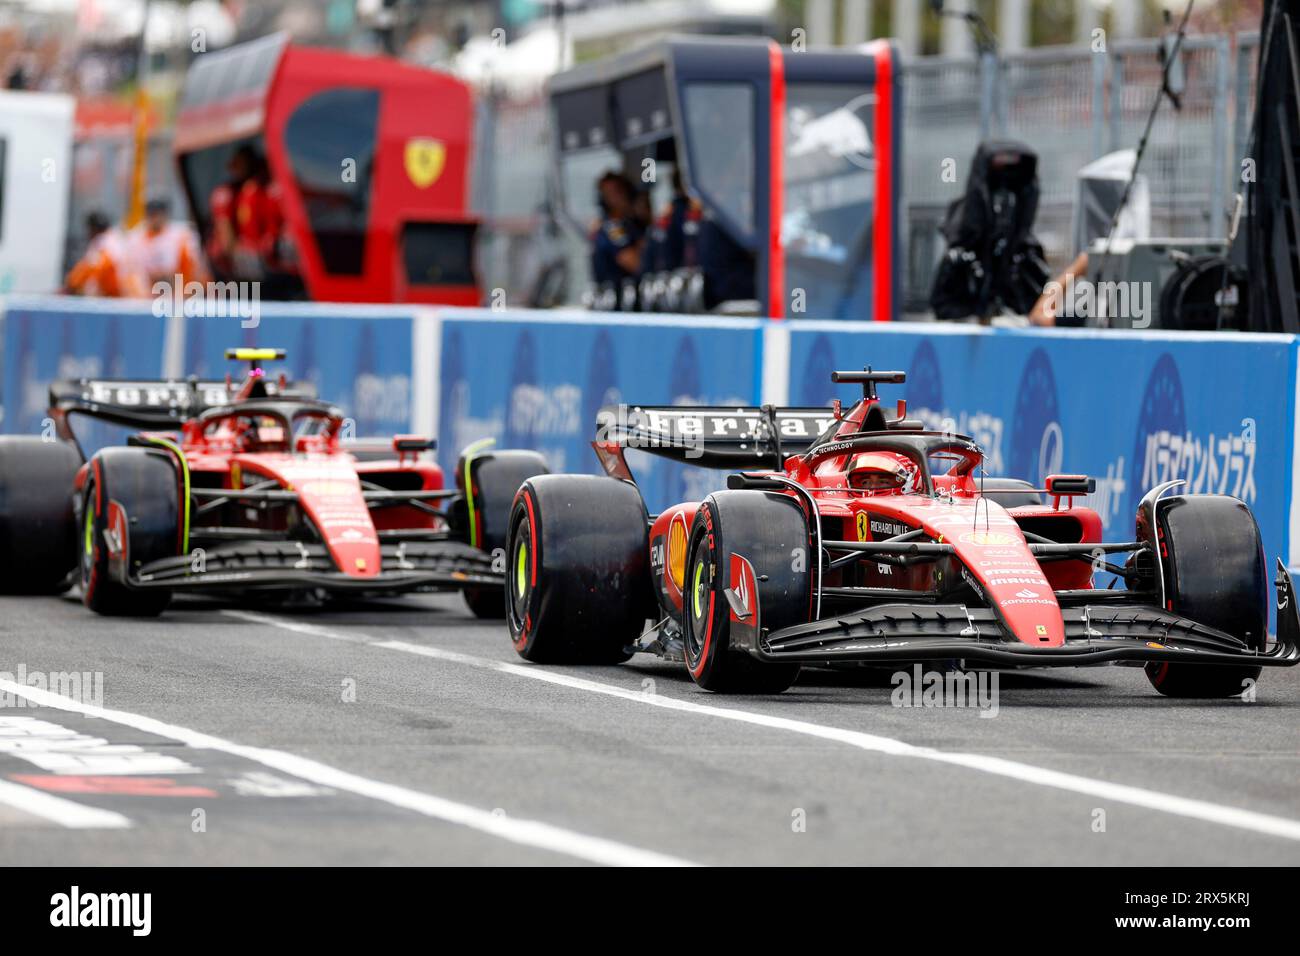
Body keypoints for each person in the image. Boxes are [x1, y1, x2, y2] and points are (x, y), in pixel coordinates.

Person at [129, 198, 207, 290]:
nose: (155, 219)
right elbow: (133, 270)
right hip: (149, 287)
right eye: (151, 215)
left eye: (157, 214)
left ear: (164, 215)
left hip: (177, 285)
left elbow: (193, 267)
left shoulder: (180, 235)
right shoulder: (137, 237)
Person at [63, 211, 145, 298]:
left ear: (93, 229)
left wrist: (72, 285)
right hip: (132, 293)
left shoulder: (102, 242)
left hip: (122, 293)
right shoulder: (116, 238)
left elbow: (90, 267)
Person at [590, 171, 644, 287]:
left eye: (619, 192)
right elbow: (634, 263)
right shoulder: (613, 228)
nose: (618, 198)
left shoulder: (630, 225)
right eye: (611, 194)